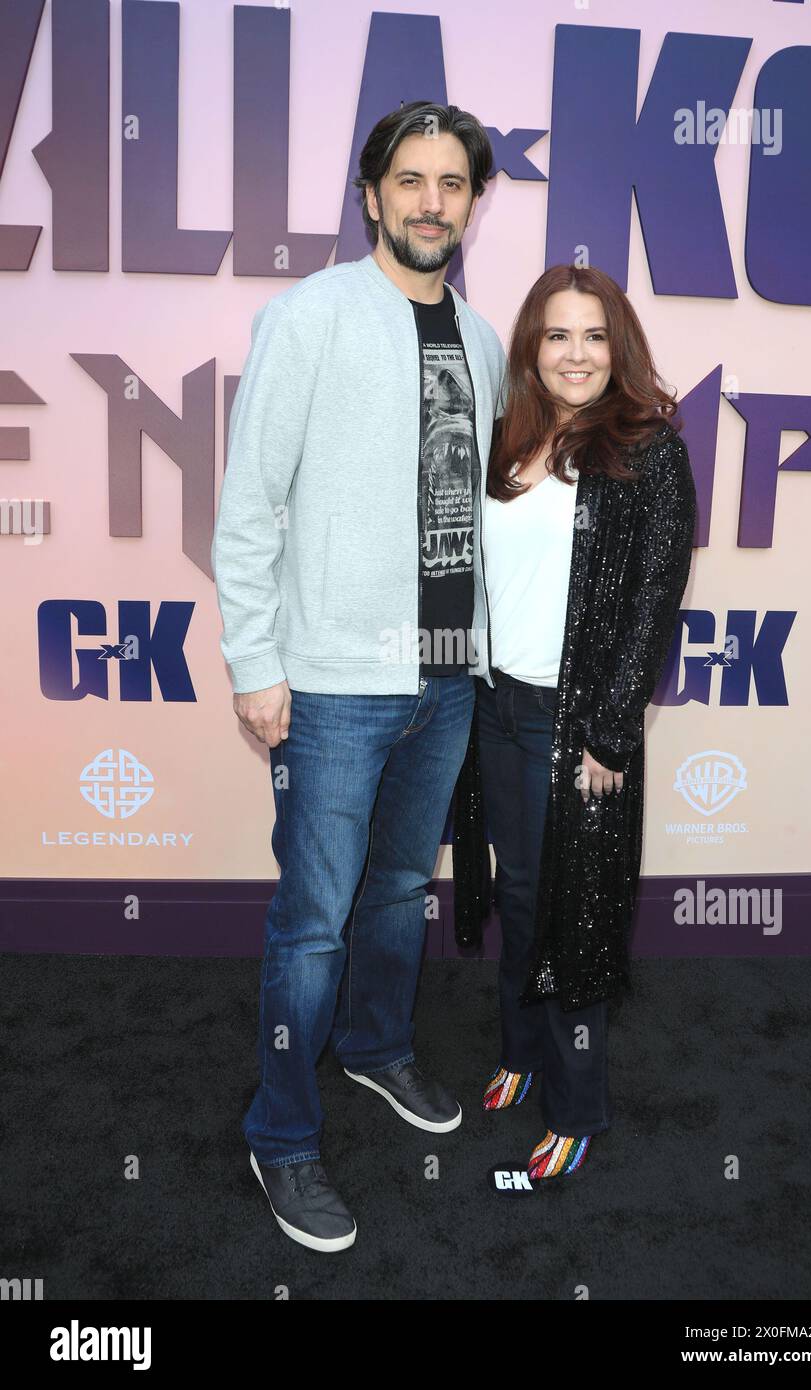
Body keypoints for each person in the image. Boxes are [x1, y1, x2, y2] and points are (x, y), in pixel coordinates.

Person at [211, 101, 506, 1251]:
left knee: (395, 895)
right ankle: (280, 1133)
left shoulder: (482, 342)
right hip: (330, 682)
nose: (432, 200)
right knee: (314, 923)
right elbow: (249, 504)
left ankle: (377, 1050)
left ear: (472, 201)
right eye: (410, 179)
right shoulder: (311, 316)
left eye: (452, 182)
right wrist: (254, 660)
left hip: (446, 681)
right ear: (372, 194)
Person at [451, 264, 697, 1180]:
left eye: (595, 335)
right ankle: (520, 1052)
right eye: (558, 335)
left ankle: (577, 1104)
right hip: (496, 706)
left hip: (578, 721)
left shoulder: (649, 450)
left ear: (618, 346)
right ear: (532, 347)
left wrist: (613, 731)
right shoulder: (506, 440)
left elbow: (653, 602)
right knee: (519, 895)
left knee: (576, 913)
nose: (577, 353)